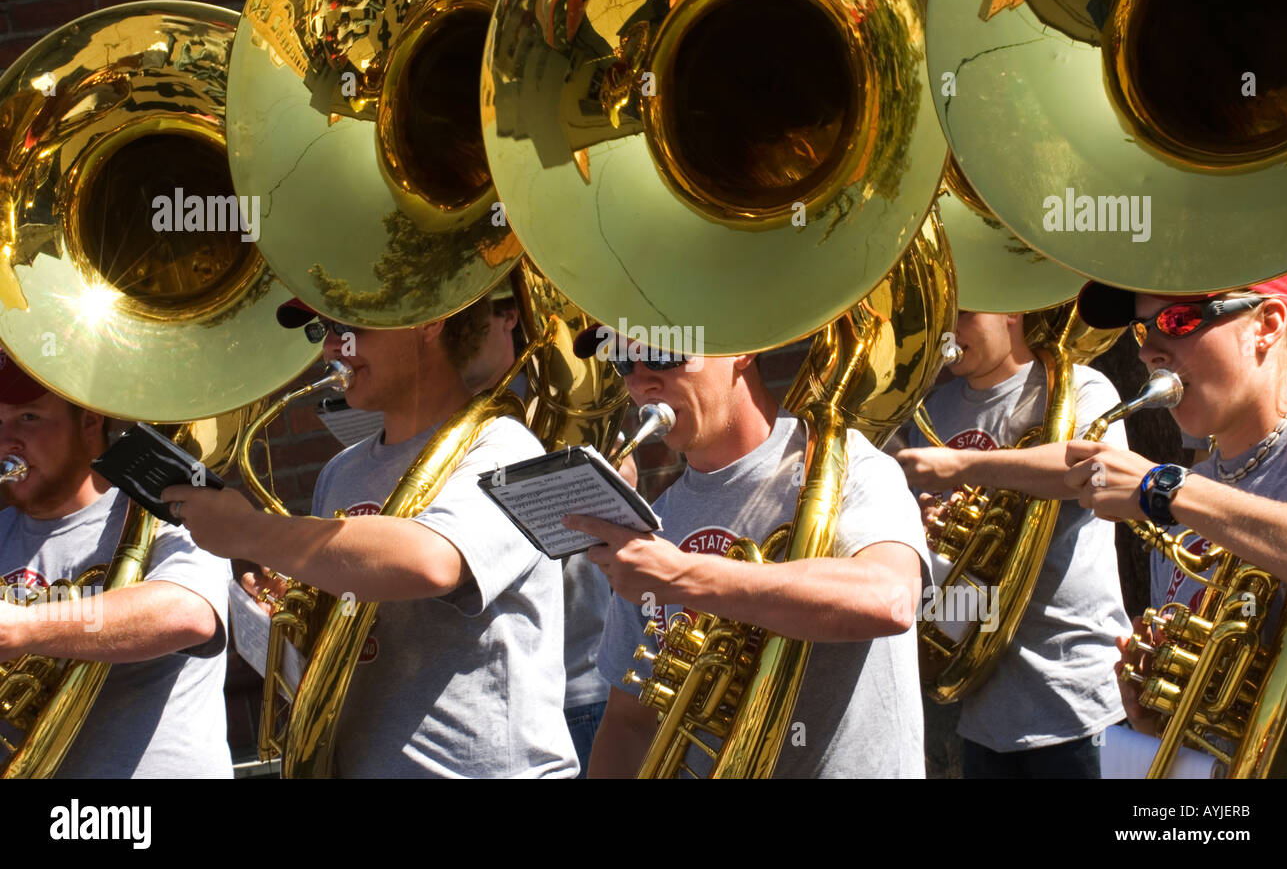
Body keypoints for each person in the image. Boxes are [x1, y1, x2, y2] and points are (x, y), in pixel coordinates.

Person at [163, 298, 577, 778]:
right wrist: (295, 613)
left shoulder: (506, 448)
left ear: (429, 319)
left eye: (347, 325)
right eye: (325, 330)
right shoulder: (343, 472)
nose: (332, 350)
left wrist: (250, 531)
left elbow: (431, 562)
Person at [568, 331, 930, 778]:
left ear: (740, 345)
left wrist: (684, 576)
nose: (642, 383)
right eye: (624, 361)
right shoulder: (655, 523)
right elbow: (629, 721)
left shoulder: (850, 466)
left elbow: (890, 600)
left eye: (662, 355)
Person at [893, 309, 1130, 778]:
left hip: (1075, 695)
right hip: (978, 708)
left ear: (1011, 311)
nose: (948, 333)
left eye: (964, 315)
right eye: (941, 317)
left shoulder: (1084, 386)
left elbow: (1101, 472)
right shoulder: (932, 410)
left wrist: (966, 467)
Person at [1063, 272, 1287, 737]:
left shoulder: (1172, 493)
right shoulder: (1183, 496)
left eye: (1176, 320)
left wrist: (1168, 489)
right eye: (1141, 331)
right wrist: (1162, 708)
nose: (1147, 352)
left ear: (1266, 325)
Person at [0, 353, 232, 778]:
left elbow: (185, 614)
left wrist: (25, 628)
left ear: (89, 418)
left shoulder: (171, 507)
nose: (5, 441)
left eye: (28, 418)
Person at [457, 292, 616, 777]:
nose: (454, 331)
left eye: (468, 316)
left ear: (510, 315)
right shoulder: (444, 420)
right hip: (488, 697)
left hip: (580, 681)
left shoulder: (565, 405)